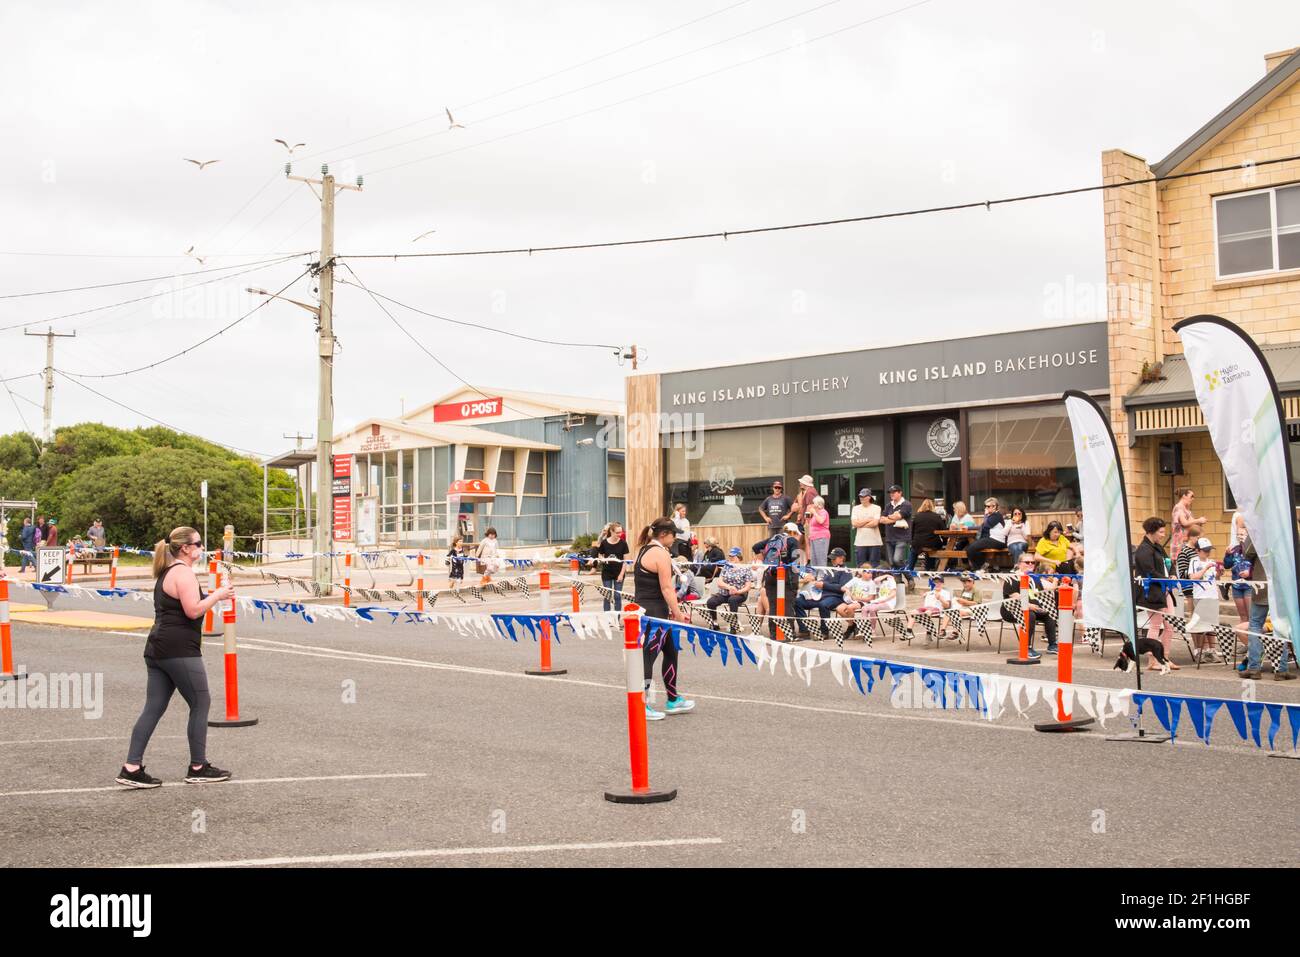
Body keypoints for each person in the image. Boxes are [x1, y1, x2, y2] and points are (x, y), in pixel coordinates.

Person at [116, 527, 235, 789]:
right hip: (179, 649)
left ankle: (131, 767)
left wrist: (213, 593)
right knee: (200, 702)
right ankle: (198, 766)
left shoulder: (168, 572)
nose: (202, 548)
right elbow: (193, 611)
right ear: (185, 548)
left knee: (153, 707)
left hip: (157, 648)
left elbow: (188, 604)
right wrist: (218, 595)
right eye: (199, 544)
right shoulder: (183, 573)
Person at [633, 517, 694, 719]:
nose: (675, 538)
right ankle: (643, 705)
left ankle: (673, 698)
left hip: (651, 609)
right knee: (647, 657)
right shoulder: (660, 553)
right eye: (673, 534)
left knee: (671, 651)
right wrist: (677, 613)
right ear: (663, 535)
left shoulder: (644, 549)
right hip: (653, 612)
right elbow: (667, 588)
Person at [1241, 536, 1294, 681]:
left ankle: (1254, 668)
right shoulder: (1284, 529)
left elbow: (1247, 552)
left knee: (1255, 626)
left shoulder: (1259, 529)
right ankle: (1281, 670)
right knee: (1280, 627)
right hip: (1282, 587)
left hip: (1264, 586)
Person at [1133, 516, 1180, 671]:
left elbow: (1169, 562)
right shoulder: (1143, 550)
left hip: (1165, 590)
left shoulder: (1158, 547)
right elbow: (1149, 572)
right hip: (1152, 594)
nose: (1163, 535)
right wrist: (1167, 579)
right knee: (1155, 625)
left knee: (1169, 626)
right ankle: (1152, 660)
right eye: (1160, 532)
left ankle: (1165, 658)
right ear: (1151, 532)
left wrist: (1172, 575)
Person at [1001, 553, 1055, 657]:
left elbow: (1040, 595)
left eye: (1033, 562)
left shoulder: (1034, 578)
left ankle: (1052, 645)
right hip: (1011, 609)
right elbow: (1015, 597)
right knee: (1029, 615)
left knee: (1049, 613)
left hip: (1033, 608)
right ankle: (1027, 647)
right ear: (1019, 564)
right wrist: (1030, 606)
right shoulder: (1012, 578)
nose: (1030, 564)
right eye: (1027, 562)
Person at [794, 547, 851, 634]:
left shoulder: (846, 571)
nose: (832, 560)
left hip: (836, 597)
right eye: (831, 558)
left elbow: (842, 587)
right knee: (798, 601)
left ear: (841, 558)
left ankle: (824, 632)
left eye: (834, 558)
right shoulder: (830, 570)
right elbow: (823, 581)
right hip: (820, 595)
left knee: (823, 604)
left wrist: (824, 585)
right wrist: (816, 582)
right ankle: (804, 629)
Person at [760, 522, 801, 639]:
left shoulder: (772, 539)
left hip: (770, 575)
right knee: (788, 605)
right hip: (786, 577)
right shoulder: (792, 541)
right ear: (792, 532)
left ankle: (774, 634)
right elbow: (796, 560)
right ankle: (789, 634)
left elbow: (756, 547)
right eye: (796, 533)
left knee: (773, 606)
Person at [1186, 537, 1220, 663]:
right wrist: (1205, 568)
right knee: (1200, 623)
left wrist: (1219, 573)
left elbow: (1215, 579)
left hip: (1212, 595)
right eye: (1205, 550)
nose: (1208, 553)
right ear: (1198, 551)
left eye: (1209, 550)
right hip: (1200, 596)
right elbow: (1193, 577)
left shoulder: (1211, 561)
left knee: (1212, 623)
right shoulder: (1194, 562)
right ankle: (1201, 650)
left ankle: (1212, 649)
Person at [707, 547, 754, 631]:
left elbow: (748, 586)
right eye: (730, 557)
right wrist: (729, 587)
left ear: (739, 557)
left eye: (733, 557)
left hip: (740, 593)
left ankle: (733, 626)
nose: (730, 559)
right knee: (711, 602)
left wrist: (738, 591)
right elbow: (719, 583)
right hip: (725, 593)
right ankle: (715, 623)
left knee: (732, 600)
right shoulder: (726, 567)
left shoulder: (746, 568)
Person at [965, 498, 1008, 571]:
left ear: (994, 506)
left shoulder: (996, 515)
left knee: (971, 548)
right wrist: (968, 528)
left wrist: (985, 515)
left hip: (998, 541)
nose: (986, 508)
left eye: (988, 506)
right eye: (985, 506)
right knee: (970, 548)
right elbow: (983, 526)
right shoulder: (992, 516)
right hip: (991, 539)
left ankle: (980, 568)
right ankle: (981, 567)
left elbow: (985, 526)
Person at [904, 498, 945, 572]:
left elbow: (912, 532)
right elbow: (943, 531)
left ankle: (909, 569)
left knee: (913, 550)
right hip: (932, 543)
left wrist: (912, 542)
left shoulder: (917, 516)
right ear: (932, 506)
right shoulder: (937, 516)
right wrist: (944, 542)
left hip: (918, 542)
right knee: (934, 547)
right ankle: (929, 568)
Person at [595, 522, 628, 611]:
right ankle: (607, 618)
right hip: (607, 572)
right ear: (612, 532)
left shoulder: (623, 543)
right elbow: (600, 555)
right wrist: (602, 559)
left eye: (621, 532)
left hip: (619, 572)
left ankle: (616, 619)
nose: (620, 534)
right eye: (617, 532)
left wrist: (621, 574)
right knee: (607, 595)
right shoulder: (604, 543)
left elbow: (625, 561)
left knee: (617, 596)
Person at [879, 485, 913, 570]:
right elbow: (882, 520)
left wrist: (891, 518)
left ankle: (909, 577)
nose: (891, 494)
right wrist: (894, 517)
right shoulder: (888, 505)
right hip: (890, 537)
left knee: (897, 560)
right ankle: (898, 580)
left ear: (900, 493)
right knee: (891, 562)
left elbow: (898, 516)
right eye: (890, 492)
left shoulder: (906, 504)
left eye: (894, 492)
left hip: (902, 537)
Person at [850, 488, 882, 569]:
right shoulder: (855, 508)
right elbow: (854, 523)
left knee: (874, 566)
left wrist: (860, 524)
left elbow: (875, 523)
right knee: (860, 566)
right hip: (860, 542)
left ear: (869, 497)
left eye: (863, 496)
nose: (861, 498)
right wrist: (868, 520)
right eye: (860, 496)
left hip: (874, 541)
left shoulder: (876, 508)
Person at [1169, 488, 1205, 555]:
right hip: (1179, 542)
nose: (1193, 499)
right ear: (1184, 496)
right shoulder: (1178, 507)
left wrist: (1199, 522)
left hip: (1186, 541)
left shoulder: (1186, 510)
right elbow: (1184, 523)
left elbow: (1192, 523)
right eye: (1191, 496)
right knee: (1181, 562)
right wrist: (1198, 520)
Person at [806, 496, 831, 568]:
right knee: (813, 558)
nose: (812, 505)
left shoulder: (823, 512)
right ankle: (814, 574)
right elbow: (811, 525)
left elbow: (821, 521)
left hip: (821, 537)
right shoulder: (815, 513)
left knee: (821, 558)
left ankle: (822, 575)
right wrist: (808, 518)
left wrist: (814, 512)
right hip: (813, 537)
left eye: (813, 503)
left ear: (818, 504)